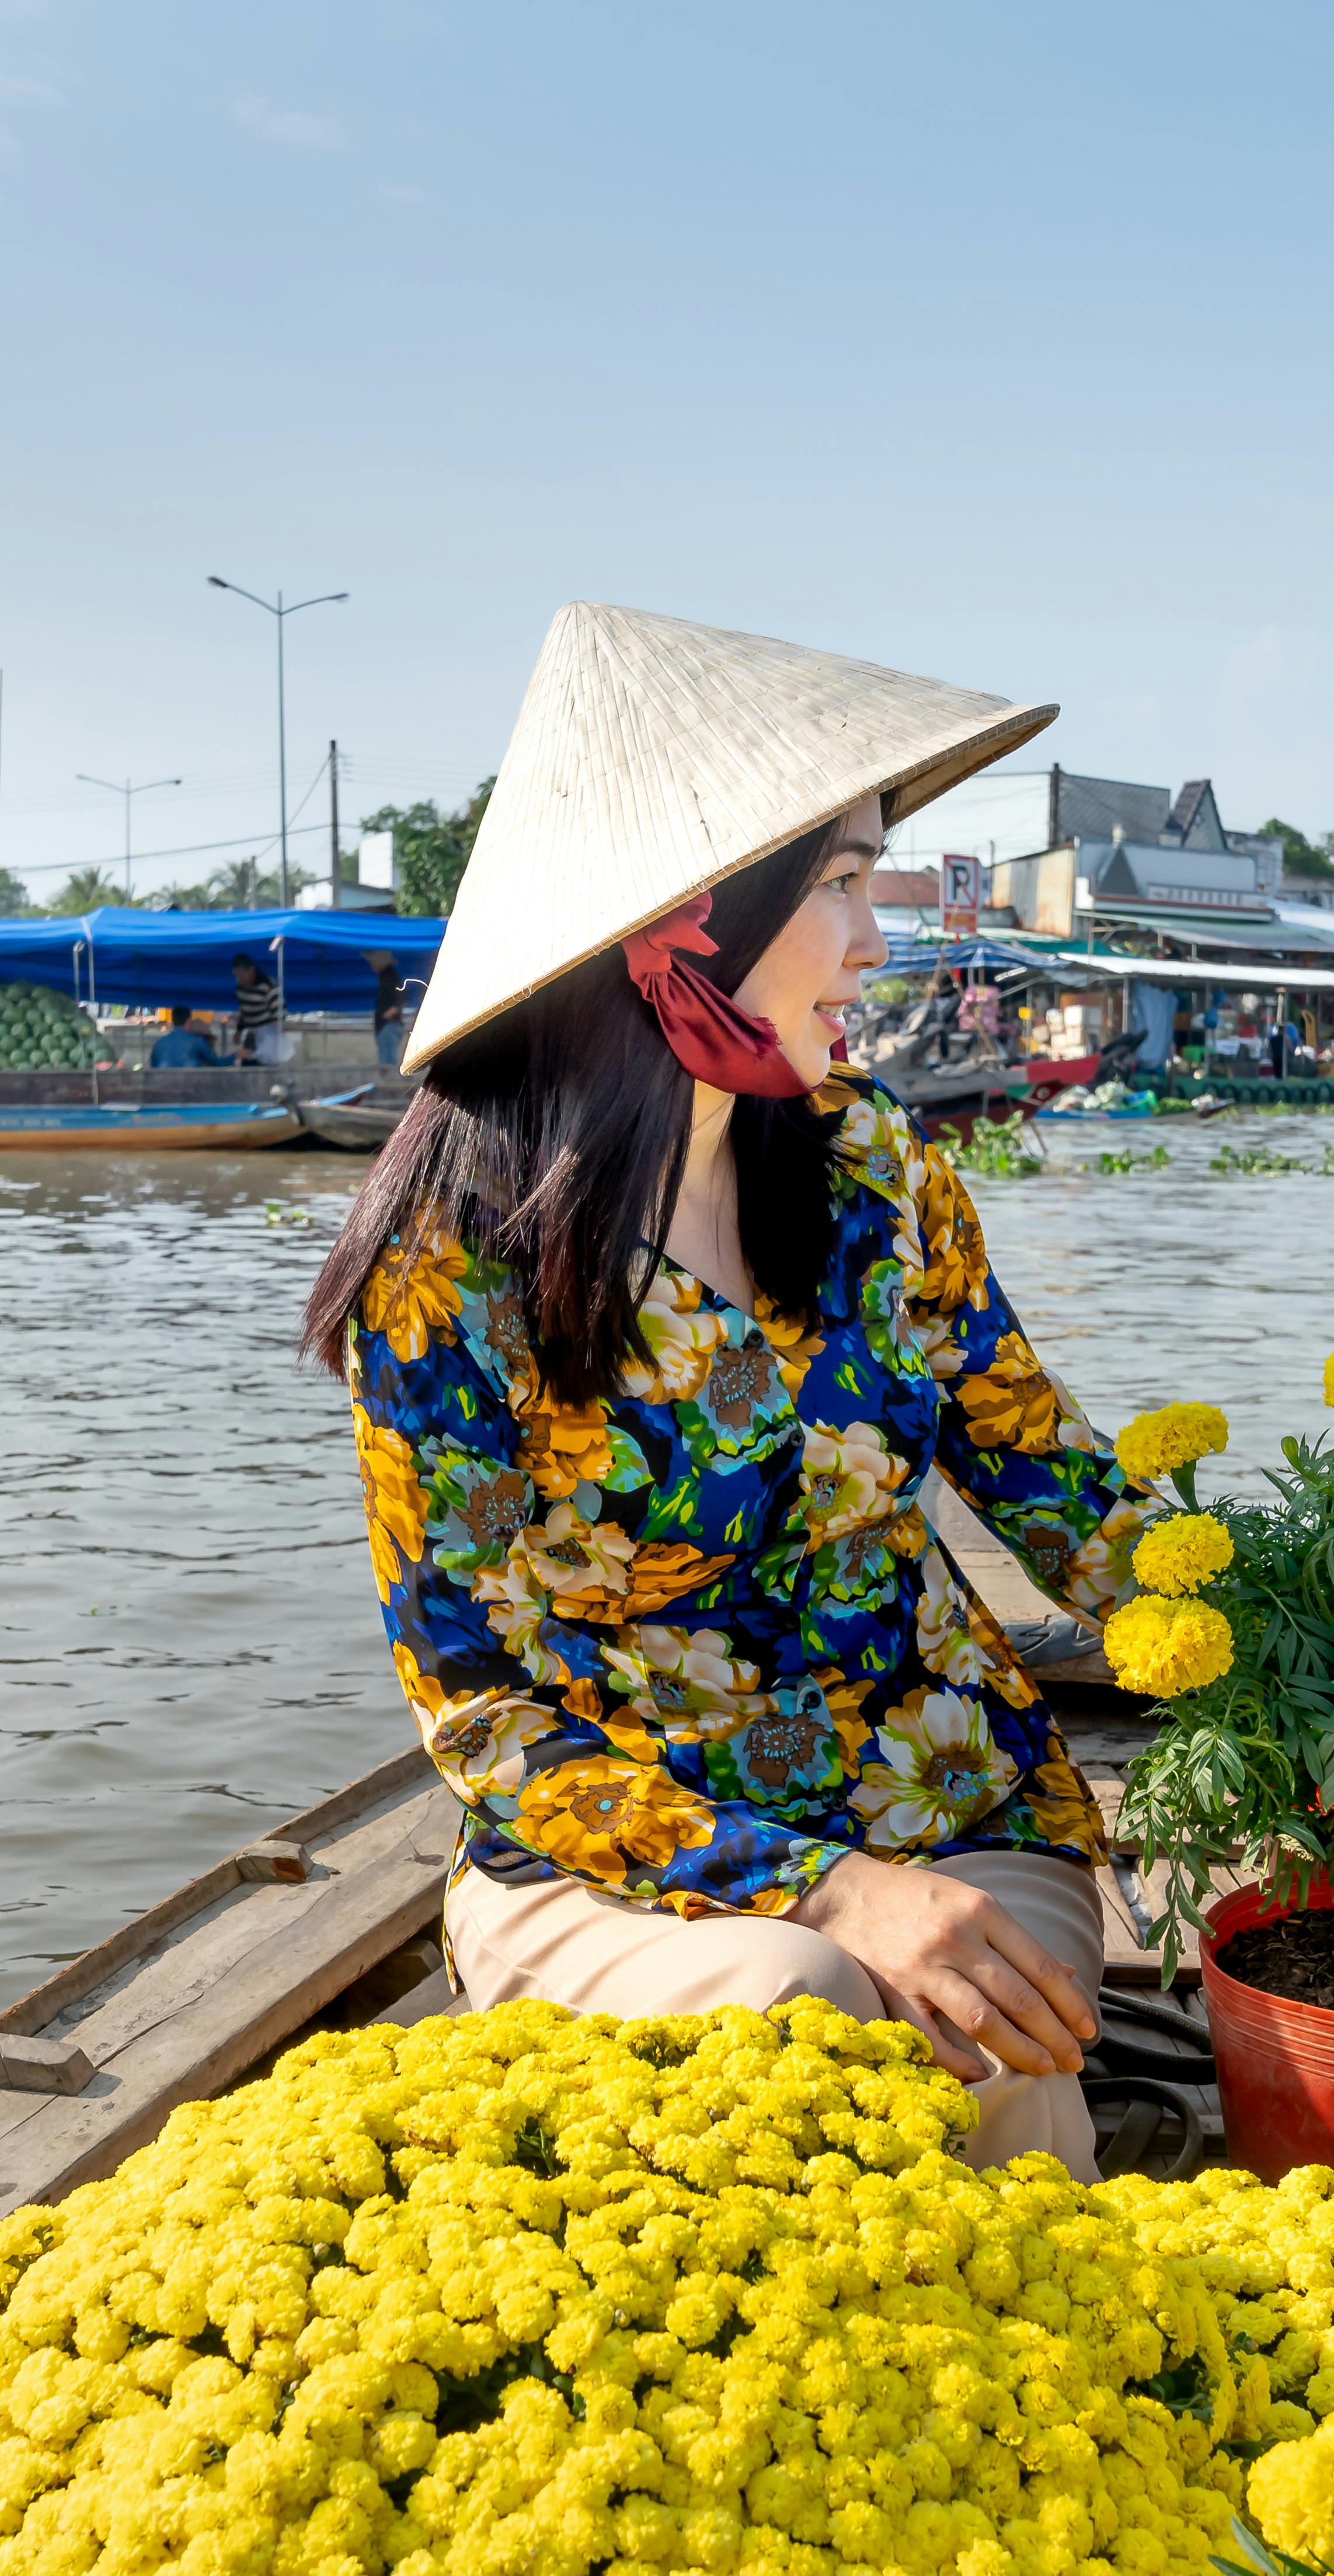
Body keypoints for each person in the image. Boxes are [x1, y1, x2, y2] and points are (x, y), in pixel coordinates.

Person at [305, 602, 1140, 2173]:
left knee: (989, 2049)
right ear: (685, 925)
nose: (877, 943)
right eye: (838, 885)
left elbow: (1055, 1484)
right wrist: (824, 1891)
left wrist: (1310, 1633)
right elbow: (481, 1710)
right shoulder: (457, 1267)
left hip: (948, 1804)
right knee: (806, 2006)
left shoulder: (876, 1171)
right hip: (620, 1869)